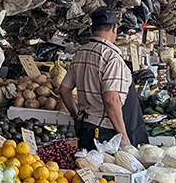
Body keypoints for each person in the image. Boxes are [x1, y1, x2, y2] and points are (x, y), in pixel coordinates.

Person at [59, 8, 148, 150]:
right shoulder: (111, 57)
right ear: (114, 28)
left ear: (91, 29)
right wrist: (123, 135)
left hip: (84, 127)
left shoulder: (79, 53)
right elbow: (111, 100)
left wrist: (76, 115)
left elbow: (64, 90)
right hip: (105, 133)